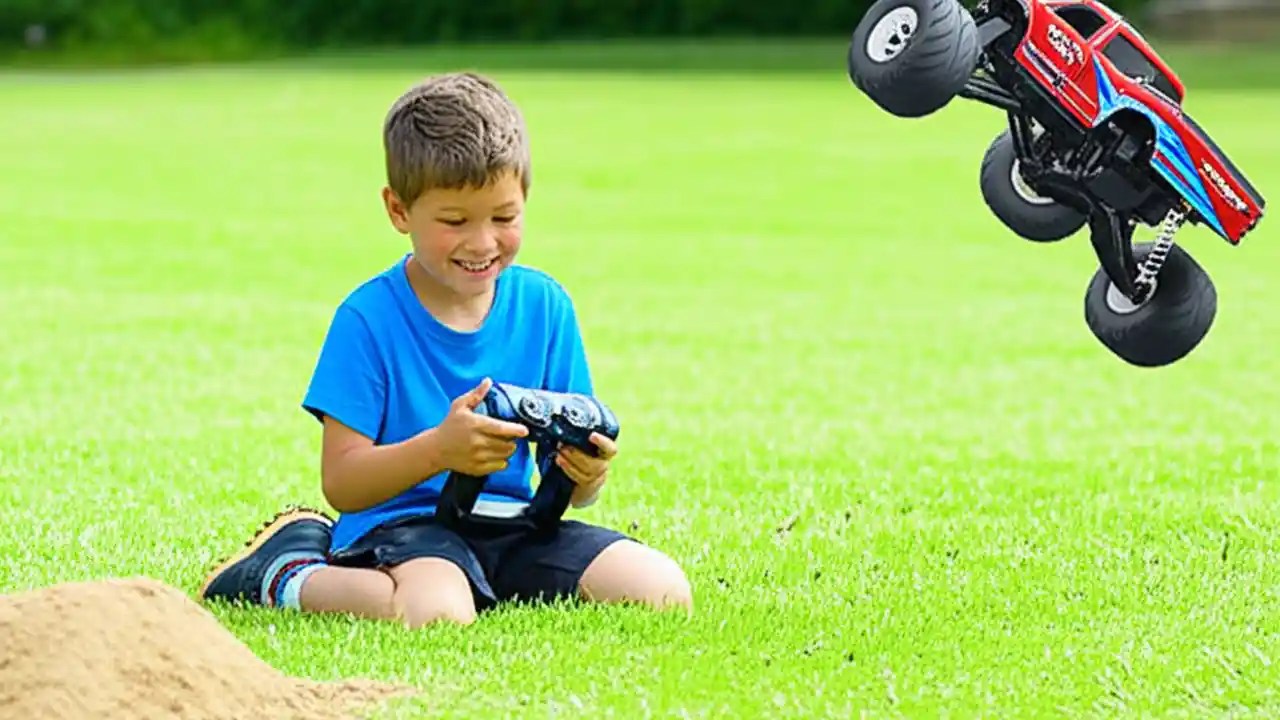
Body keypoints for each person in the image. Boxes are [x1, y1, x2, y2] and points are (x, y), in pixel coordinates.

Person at [198, 72, 693, 626]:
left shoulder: (546, 305)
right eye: (455, 221)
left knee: (662, 589)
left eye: (504, 218)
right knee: (439, 613)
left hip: (518, 524)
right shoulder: (367, 319)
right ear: (399, 211)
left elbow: (575, 491)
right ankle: (282, 572)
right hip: (403, 528)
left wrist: (586, 474)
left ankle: (480, 579)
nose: (483, 243)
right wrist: (439, 450)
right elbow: (342, 483)